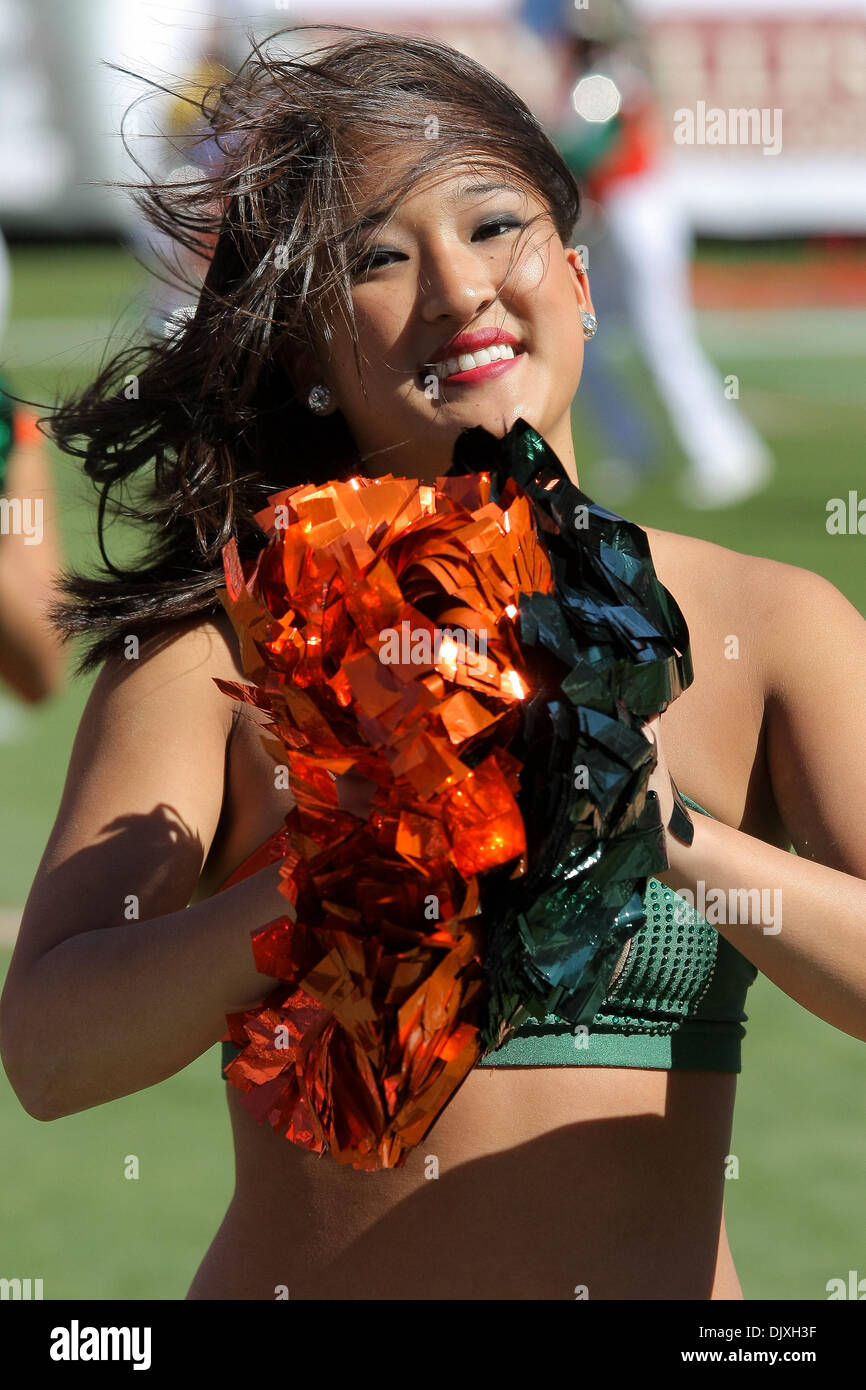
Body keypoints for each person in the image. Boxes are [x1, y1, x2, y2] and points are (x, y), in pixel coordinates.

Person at [1, 25, 865, 1301]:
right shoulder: (218, 651)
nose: (459, 290)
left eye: (492, 226)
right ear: (305, 354)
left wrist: (658, 826)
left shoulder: (768, 622)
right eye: (378, 259)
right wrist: (327, 869)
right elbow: (51, 1058)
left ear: (578, 278)